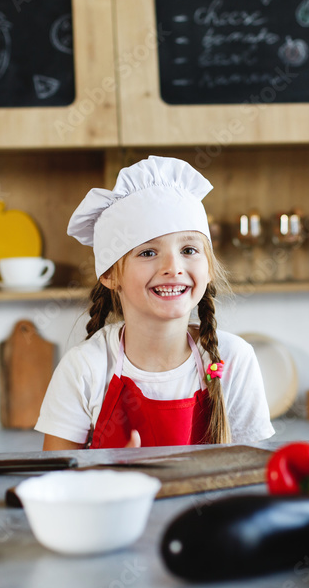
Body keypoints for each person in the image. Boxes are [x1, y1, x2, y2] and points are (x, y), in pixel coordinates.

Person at [35, 156, 275, 450]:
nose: (173, 267)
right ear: (110, 274)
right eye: (148, 253)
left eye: (189, 249)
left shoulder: (234, 359)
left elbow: (251, 477)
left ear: (209, 268)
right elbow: (56, 483)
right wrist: (110, 472)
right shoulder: (85, 368)